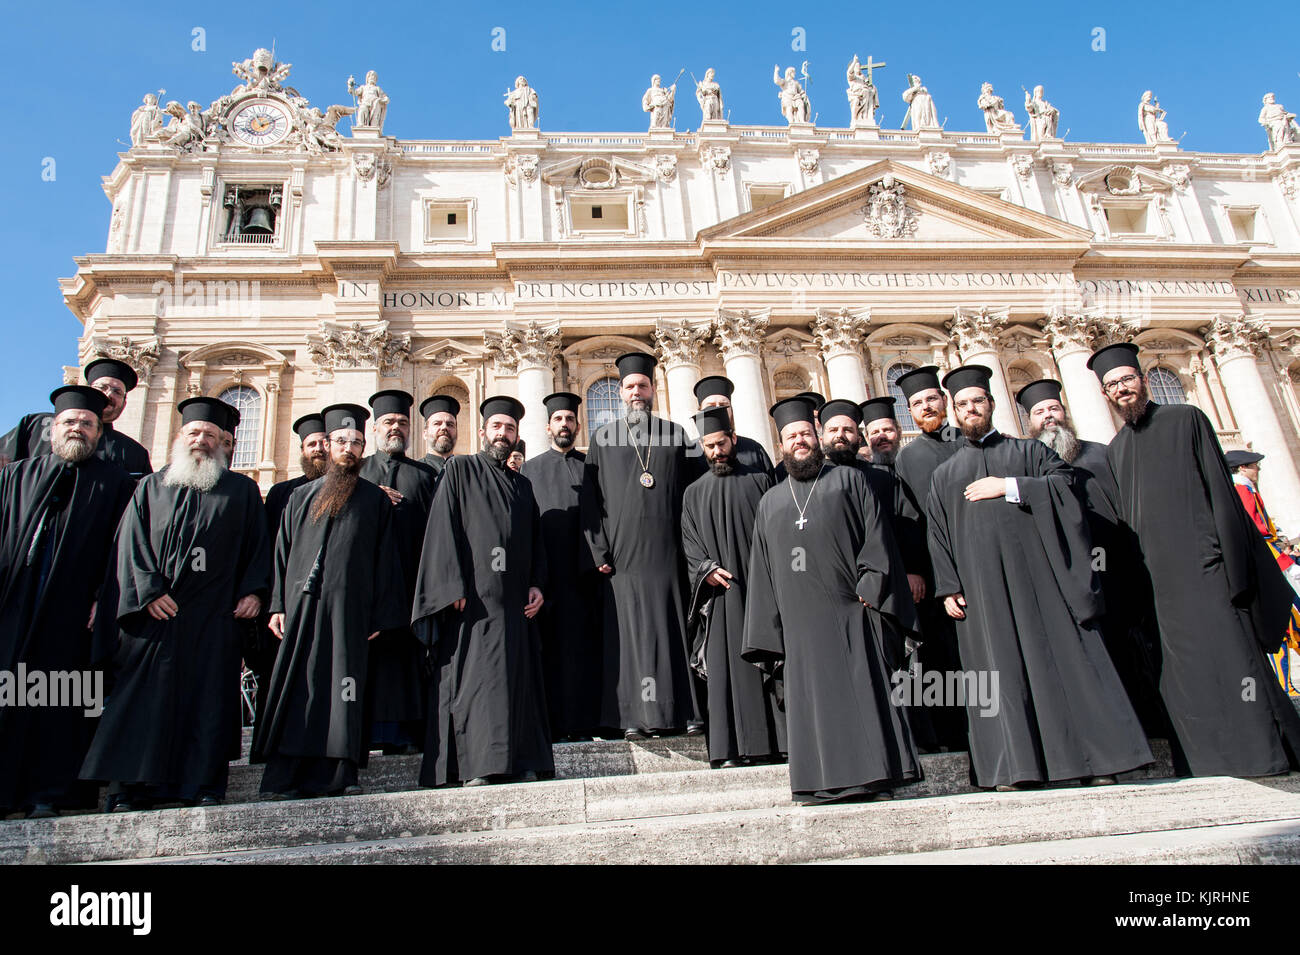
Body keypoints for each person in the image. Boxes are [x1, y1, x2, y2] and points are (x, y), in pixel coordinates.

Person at [926, 365, 1153, 791]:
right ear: (954, 412)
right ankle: (1018, 767)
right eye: (962, 404)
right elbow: (937, 534)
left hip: (1042, 581)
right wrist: (949, 586)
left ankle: (1096, 758)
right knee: (1000, 674)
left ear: (992, 405)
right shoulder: (944, 475)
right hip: (983, 590)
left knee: (1065, 660)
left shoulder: (1030, 453)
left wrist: (1010, 486)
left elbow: (1067, 488)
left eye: (978, 400)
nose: (970, 409)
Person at [1091, 341, 1300, 778]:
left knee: (1236, 664)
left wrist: (1231, 564)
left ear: (1143, 380)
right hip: (1162, 582)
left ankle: (1263, 752)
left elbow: (1222, 496)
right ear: (1105, 394)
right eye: (1112, 385)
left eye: (1127, 379)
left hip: (1208, 569)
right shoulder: (1117, 449)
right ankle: (1206, 758)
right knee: (1187, 677)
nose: (1121, 389)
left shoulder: (1187, 418)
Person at [81, 397, 270, 811]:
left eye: (211, 435)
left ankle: (201, 785)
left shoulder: (241, 490)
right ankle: (129, 787)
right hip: (157, 616)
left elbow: (258, 548)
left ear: (225, 444)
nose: (202, 440)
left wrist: (254, 592)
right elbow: (129, 545)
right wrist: (148, 591)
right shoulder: (150, 487)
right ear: (180, 438)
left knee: (207, 701)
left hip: (214, 616)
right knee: (143, 701)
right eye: (194, 433)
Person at [743, 397, 920, 803]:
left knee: (862, 693)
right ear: (782, 445)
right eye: (791, 437)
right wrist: (771, 626)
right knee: (812, 703)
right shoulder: (770, 501)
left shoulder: (848, 481)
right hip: (799, 622)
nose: (800, 441)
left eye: (805, 434)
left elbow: (877, 538)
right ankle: (818, 783)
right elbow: (762, 569)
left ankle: (873, 778)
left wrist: (870, 589)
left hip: (850, 609)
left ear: (816, 437)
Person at [253, 403, 407, 798]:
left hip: (350, 612)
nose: (349, 449)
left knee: (345, 687)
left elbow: (386, 559)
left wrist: (380, 612)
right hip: (301, 609)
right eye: (342, 442)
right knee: (295, 684)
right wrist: (277, 605)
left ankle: (340, 774)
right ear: (328, 444)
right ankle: (284, 776)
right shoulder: (300, 496)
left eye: (356, 443)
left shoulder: (375, 499)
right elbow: (282, 553)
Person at [0, 387, 135, 818]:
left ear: (99, 432)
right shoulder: (16, 476)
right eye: (69, 422)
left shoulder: (114, 482)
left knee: (64, 701)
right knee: (10, 694)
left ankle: (50, 793)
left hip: (75, 609)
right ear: (53, 428)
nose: (78, 428)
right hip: (16, 602)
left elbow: (122, 549)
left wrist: (103, 598)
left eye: (87, 424)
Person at [412, 396, 551, 786]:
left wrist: (538, 584)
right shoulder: (460, 470)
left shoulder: (523, 486)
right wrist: (450, 584)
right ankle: (479, 766)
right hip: (472, 603)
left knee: (518, 683)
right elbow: (443, 528)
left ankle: (520, 760)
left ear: (516, 435)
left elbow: (535, 540)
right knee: (478, 684)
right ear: (483, 431)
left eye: (509, 428)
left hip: (515, 606)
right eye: (496, 427)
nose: (502, 434)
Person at [1017, 379, 1169, 734]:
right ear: (1030, 422)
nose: (1048, 416)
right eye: (1040, 412)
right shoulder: (1026, 461)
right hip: (1062, 573)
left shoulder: (1101, 453)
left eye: (1053, 409)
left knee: (1129, 645)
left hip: (1114, 567)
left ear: (1064, 413)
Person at [581, 352, 706, 740]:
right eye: (630, 386)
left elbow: (695, 495)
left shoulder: (676, 435)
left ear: (654, 390)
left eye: (643, 385)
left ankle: (683, 712)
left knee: (673, 629)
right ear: (621, 393)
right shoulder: (602, 438)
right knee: (627, 634)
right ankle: (631, 717)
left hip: (667, 552)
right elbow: (590, 500)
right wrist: (598, 551)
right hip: (622, 558)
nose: (637, 392)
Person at [857, 395, 967, 752]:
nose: (881, 437)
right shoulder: (863, 475)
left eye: (887, 429)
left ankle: (945, 731)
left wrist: (916, 569)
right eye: (874, 432)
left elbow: (912, 526)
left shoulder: (905, 467)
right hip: (884, 583)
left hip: (920, 580)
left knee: (932, 655)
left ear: (898, 430)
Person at [681, 406, 785, 769]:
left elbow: (779, 529)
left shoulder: (761, 482)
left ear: (733, 440)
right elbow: (690, 544)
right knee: (728, 668)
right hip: (723, 596)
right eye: (708, 446)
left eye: (720, 443)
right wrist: (706, 570)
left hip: (763, 589)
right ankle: (731, 750)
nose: (715, 451)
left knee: (771, 660)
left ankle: (781, 744)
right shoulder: (693, 493)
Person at [889, 368, 969, 751]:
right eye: (917, 404)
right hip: (937, 571)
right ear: (910, 412)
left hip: (985, 562)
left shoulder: (971, 443)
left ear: (944, 401)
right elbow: (909, 520)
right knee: (945, 657)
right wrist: (915, 569)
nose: (926, 407)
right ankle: (957, 734)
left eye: (931, 400)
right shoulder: (909, 457)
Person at [355, 390, 438, 755]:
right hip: (366, 586)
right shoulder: (357, 472)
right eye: (389, 422)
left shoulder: (424, 474)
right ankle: (363, 733)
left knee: (405, 662)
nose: (396, 428)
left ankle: (405, 733)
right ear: (375, 428)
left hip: (409, 583)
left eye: (402, 423)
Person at [522, 393, 602, 742]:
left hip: (587, 578)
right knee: (552, 652)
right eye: (559, 420)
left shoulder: (591, 469)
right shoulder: (530, 469)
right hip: (548, 579)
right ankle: (554, 726)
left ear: (578, 426)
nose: (565, 425)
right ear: (548, 426)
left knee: (587, 650)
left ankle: (589, 723)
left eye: (570, 420)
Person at [249, 413, 329, 727]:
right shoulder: (283, 493)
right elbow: (271, 550)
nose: (319, 449)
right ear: (301, 450)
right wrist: (274, 603)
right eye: (312, 444)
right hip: (288, 601)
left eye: (324, 442)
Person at [0, 358, 152, 479]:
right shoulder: (35, 425)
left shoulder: (134, 452)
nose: (109, 395)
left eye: (117, 392)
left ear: (124, 403)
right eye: (102, 387)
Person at [1227, 449, 1300, 696]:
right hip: (1270, 557)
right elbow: (1255, 527)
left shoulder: (1246, 488)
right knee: (1287, 621)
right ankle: (1285, 686)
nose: (1258, 470)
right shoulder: (1242, 490)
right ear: (1243, 468)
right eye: (1255, 466)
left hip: (1273, 554)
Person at [693, 375, 773, 476]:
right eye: (711, 406)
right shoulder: (690, 454)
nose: (718, 409)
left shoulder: (754, 449)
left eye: (723, 405)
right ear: (700, 411)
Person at [420, 394, 459, 490]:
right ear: (425, 433)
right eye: (437, 423)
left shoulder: (467, 470)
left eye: (450, 424)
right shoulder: (414, 471)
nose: (444, 427)